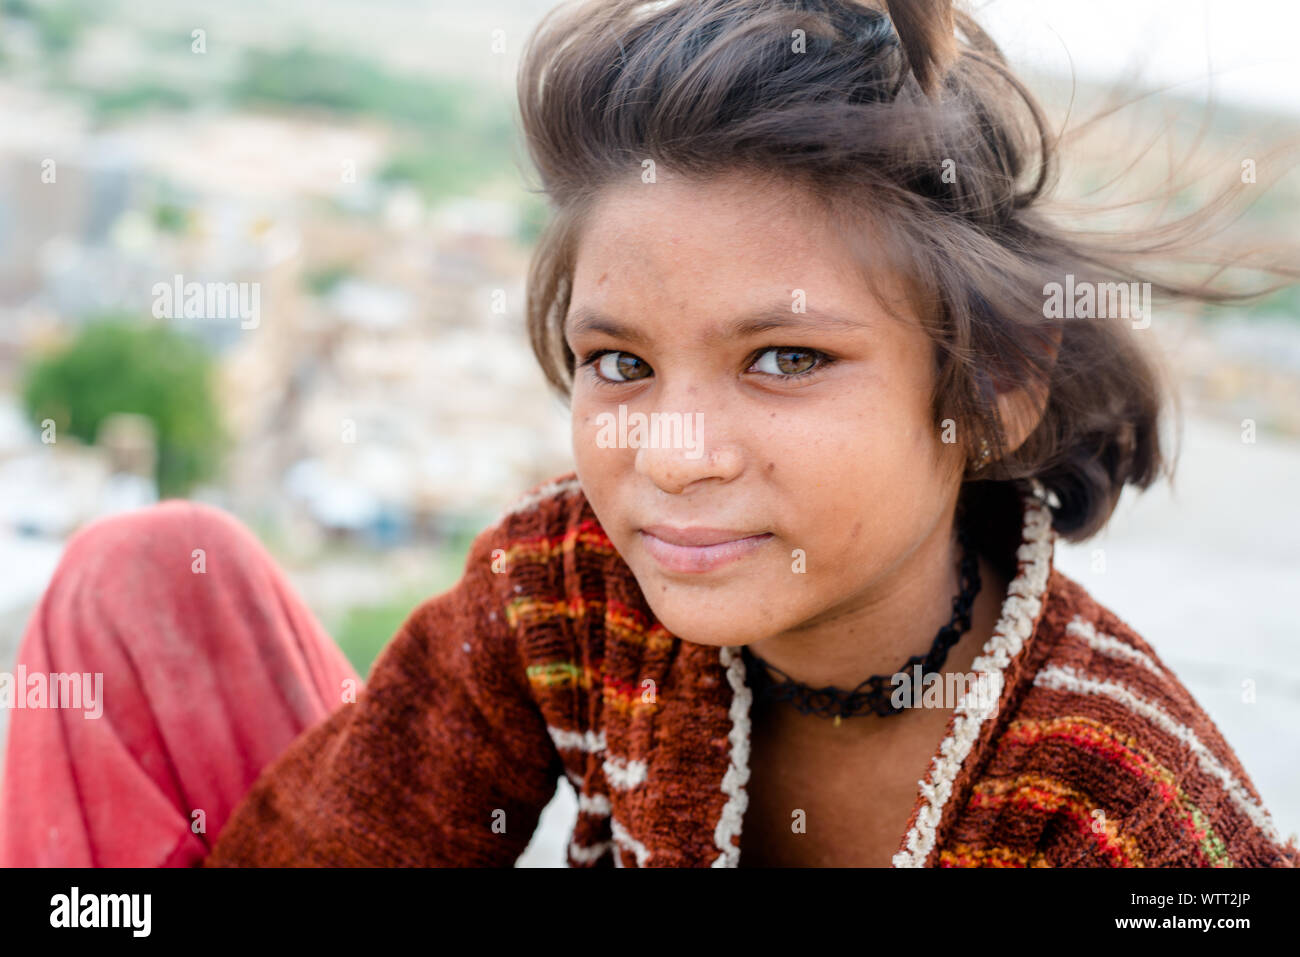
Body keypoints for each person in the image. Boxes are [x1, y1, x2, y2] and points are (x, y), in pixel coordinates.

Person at [4, 0, 1298, 867]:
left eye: (785, 358)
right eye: (619, 361)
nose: (674, 451)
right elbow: (337, 839)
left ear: (999, 386)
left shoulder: (1119, 800)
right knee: (148, 586)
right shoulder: (572, 588)